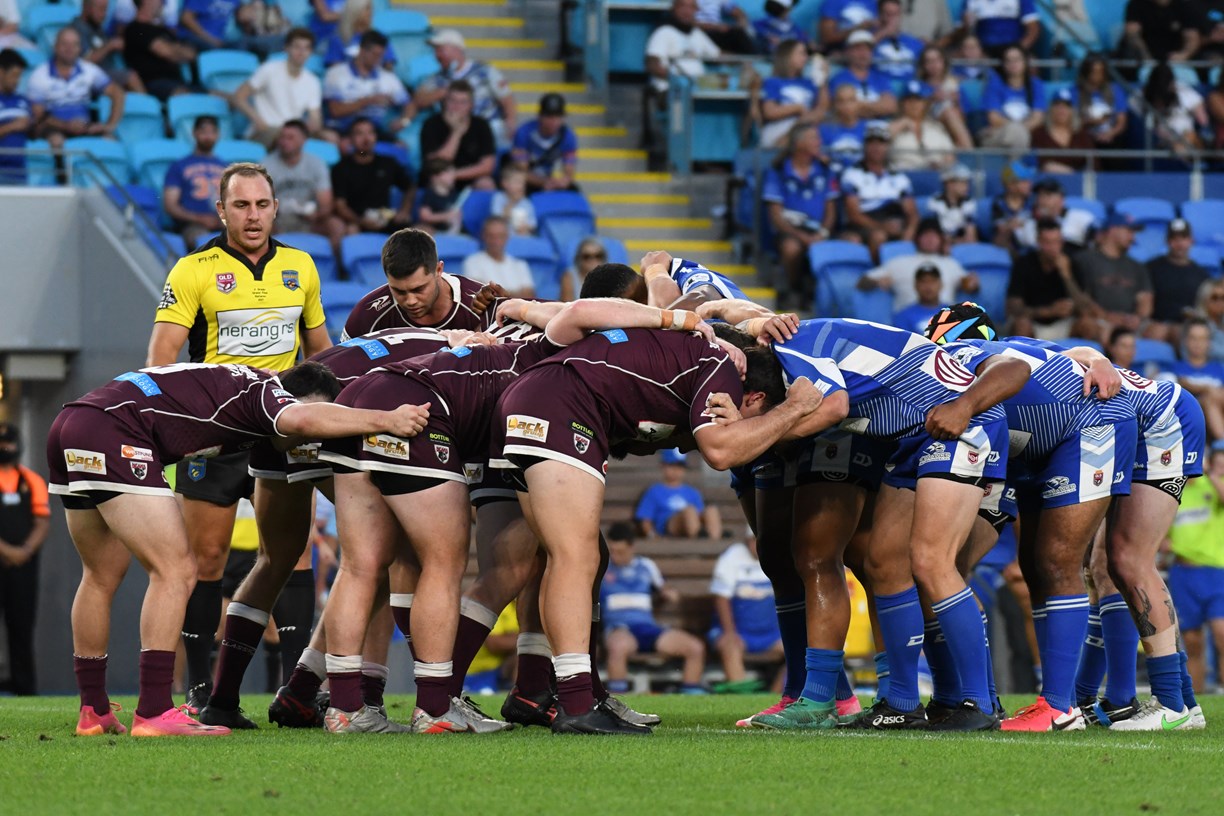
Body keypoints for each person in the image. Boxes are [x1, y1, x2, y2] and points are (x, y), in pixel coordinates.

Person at [493, 302, 824, 733]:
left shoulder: (682, 349)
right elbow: (721, 450)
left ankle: (560, 691)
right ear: (755, 396)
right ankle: (575, 704)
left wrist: (523, 306)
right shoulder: (723, 365)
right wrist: (794, 409)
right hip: (563, 406)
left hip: (526, 400)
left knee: (573, 557)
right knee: (575, 557)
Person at [50, 359, 427, 737]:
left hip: (73, 423)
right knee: (175, 570)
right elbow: (300, 419)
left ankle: (94, 711)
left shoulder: (240, 387)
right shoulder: (268, 392)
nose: (307, 442)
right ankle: (154, 711)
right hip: (115, 431)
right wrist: (388, 419)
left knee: (99, 576)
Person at [146, 163, 332, 711]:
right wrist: (177, 427)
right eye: (241, 205)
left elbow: (321, 353)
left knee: (293, 557)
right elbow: (161, 358)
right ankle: (202, 691)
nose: (253, 216)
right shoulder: (192, 269)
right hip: (216, 432)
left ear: (276, 207)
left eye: (262, 204)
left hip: (281, 430)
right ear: (221, 211)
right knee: (205, 561)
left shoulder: (301, 266)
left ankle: (297, 691)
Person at [601, 521, 708, 695]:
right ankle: (618, 699)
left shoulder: (646, 566)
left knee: (695, 647)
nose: (615, 556)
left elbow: (664, 588)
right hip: (620, 628)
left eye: (620, 551)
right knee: (618, 647)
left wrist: (669, 594)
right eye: (612, 551)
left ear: (631, 547)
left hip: (648, 628)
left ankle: (690, 694)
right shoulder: (603, 568)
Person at [341, 228, 500, 340]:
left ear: (438, 270)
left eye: (418, 289)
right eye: (399, 291)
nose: (410, 301)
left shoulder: (482, 305)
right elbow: (339, 369)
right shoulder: (369, 313)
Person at [761, 122, 838, 306]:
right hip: (790, 231)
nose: (819, 142)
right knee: (791, 248)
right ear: (799, 143)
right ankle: (793, 288)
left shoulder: (826, 170)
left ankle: (819, 294)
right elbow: (776, 217)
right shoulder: (778, 171)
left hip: (819, 230)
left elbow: (831, 210)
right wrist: (802, 236)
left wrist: (823, 233)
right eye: (814, 138)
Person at [1168, 443, 1224, 692]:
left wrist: (1211, 473)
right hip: (1183, 573)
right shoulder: (1174, 491)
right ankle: (1198, 698)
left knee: (1222, 633)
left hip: (1216, 571)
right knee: (1191, 640)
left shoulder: (1212, 485)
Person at [0, 423, 49, 696]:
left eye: (8, 442)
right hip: (6, 557)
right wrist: (7, 551)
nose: (4, 447)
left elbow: (42, 521)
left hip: (24, 567)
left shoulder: (32, 480)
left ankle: (24, 687)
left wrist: (25, 551)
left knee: (22, 625)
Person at [413, 28, 516, 147]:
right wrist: (442, 93)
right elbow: (418, 100)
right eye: (435, 51)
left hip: (488, 124)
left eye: (440, 50)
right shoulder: (438, 78)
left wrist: (510, 121)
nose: (437, 55)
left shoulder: (484, 71)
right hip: (454, 128)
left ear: (456, 50)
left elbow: (506, 97)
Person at [708, 532, 784, 689]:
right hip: (739, 631)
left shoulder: (779, 558)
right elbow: (721, 598)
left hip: (770, 633)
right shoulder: (731, 558)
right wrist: (729, 632)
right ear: (748, 540)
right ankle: (741, 693)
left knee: (801, 649)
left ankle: (776, 696)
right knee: (730, 646)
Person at [28, 27, 124, 150]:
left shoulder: (88, 70)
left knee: (110, 141)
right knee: (57, 141)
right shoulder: (40, 75)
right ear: (55, 46)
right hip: (53, 127)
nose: (70, 49)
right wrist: (66, 125)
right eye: (64, 44)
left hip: (84, 126)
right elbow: (38, 114)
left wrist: (109, 125)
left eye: (74, 44)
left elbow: (117, 93)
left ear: (80, 48)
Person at [859, 216, 976, 310]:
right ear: (917, 239)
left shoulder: (951, 264)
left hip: (944, 322)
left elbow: (971, 286)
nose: (930, 239)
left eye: (934, 236)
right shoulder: (899, 262)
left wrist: (973, 284)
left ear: (941, 240)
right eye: (926, 235)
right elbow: (862, 282)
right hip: (906, 323)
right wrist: (877, 282)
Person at [231, 28, 324, 147]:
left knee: (328, 140)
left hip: (292, 134)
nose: (301, 52)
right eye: (297, 47)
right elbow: (239, 96)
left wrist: (313, 125)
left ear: (311, 52)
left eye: (306, 48)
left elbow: (315, 116)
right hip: (265, 131)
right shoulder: (269, 69)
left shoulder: (312, 81)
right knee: (287, 140)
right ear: (286, 48)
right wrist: (257, 120)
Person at [840, 122, 919, 258]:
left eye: (881, 143)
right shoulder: (852, 174)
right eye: (871, 142)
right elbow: (853, 214)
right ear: (865, 145)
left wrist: (908, 234)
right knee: (879, 236)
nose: (876, 147)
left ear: (888, 146)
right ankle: (876, 270)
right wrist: (882, 226)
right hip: (864, 225)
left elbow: (912, 213)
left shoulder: (899, 177)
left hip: (895, 222)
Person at [329, 117, 415, 236]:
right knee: (351, 230)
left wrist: (404, 211)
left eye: (370, 133)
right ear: (351, 139)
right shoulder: (340, 168)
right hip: (356, 221)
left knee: (413, 232)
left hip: (385, 219)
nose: (366, 138)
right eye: (359, 134)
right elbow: (340, 206)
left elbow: (410, 187)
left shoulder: (388, 163)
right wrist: (360, 221)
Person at [1072, 212, 1152, 339]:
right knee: (1091, 326)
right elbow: (1080, 296)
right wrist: (1106, 316)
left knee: (1158, 331)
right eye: (1129, 231)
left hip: (1130, 323)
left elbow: (1145, 299)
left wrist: (1137, 318)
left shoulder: (1136, 266)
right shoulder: (1085, 260)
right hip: (1098, 320)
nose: (1133, 237)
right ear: (1113, 230)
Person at [322, 30, 412, 138]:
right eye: (374, 54)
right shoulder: (336, 73)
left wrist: (404, 121)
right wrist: (368, 101)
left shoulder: (388, 78)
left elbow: (409, 104)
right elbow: (335, 111)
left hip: (375, 132)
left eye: (381, 55)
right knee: (349, 145)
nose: (378, 59)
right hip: (343, 131)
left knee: (400, 146)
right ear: (362, 50)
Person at [1006, 217, 1079, 339]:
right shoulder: (1024, 264)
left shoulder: (1071, 263)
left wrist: (1067, 276)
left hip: (1063, 325)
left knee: (1088, 324)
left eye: (1057, 242)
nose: (1053, 248)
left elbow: (1084, 308)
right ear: (1038, 242)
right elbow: (1014, 308)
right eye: (1047, 242)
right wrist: (1049, 311)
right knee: (1022, 324)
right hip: (1034, 324)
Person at [263, 120, 335, 241]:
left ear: (303, 140)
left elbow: (326, 204)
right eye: (282, 137)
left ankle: (330, 254)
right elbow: (262, 203)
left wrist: (317, 215)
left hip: (310, 220)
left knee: (335, 226)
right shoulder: (266, 165)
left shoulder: (317, 164)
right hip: (279, 220)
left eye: (290, 138)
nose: (284, 141)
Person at [419, 80, 497, 191]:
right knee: (439, 182)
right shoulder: (431, 124)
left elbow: (487, 166)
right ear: (445, 102)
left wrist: (454, 174)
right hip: (437, 178)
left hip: (468, 177)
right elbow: (437, 164)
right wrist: (456, 133)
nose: (457, 106)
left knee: (486, 183)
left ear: (471, 105)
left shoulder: (481, 125)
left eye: (463, 102)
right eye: (452, 101)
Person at [162, 115, 226, 248]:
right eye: (203, 131)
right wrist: (199, 218)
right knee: (205, 243)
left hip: (222, 224)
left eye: (212, 132)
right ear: (194, 133)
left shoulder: (226, 167)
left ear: (218, 135)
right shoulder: (179, 166)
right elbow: (170, 205)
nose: (208, 136)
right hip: (192, 225)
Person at [635, 449, 723, 539]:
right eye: (672, 465)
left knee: (711, 510)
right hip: (668, 527)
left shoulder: (692, 492)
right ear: (663, 465)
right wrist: (652, 536)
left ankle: (714, 540)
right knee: (689, 511)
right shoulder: (654, 491)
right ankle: (697, 539)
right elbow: (645, 520)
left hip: (693, 524)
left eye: (680, 466)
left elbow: (701, 514)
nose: (676, 470)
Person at [1148, 218, 1210, 342]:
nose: (1180, 244)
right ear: (1167, 241)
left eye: (1184, 238)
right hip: (1157, 324)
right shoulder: (1151, 268)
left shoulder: (1201, 274)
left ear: (1191, 241)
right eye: (1175, 239)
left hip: (1189, 327)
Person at [123, 0, 197, 101]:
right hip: (154, 84)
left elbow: (191, 54)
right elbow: (166, 52)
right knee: (188, 98)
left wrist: (172, 50)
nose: (163, 2)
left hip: (179, 82)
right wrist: (175, 50)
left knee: (217, 96)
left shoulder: (163, 30)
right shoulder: (134, 29)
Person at [645, 0, 721, 98]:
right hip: (672, 92)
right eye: (682, 6)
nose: (686, 11)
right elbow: (652, 65)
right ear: (673, 8)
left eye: (691, 7)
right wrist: (681, 80)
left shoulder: (697, 34)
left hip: (698, 91)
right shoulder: (663, 32)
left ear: (696, 10)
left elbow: (718, 55)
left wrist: (740, 59)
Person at [979, 45, 1046, 153]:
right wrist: (1018, 128)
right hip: (1000, 134)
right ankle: (1017, 163)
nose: (1013, 64)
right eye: (1008, 60)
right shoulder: (994, 84)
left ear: (1025, 62)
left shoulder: (1035, 84)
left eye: (1017, 59)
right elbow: (994, 119)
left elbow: (1037, 118)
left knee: (1020, 134)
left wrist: (1019, 129)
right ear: (1004, 64)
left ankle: (1014, 163)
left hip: (1027, 132)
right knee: (1016, 133)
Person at [758, 39, 824, 150]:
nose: (805, 58)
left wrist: (823, 79)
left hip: (804, 130)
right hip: (778, 129)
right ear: (787, 56)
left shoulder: (809, 83)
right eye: (801, 53)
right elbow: (769, 112)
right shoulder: (773, 81)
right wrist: (797, 108)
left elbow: (821, 109)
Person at [1165, 319, 1224, 441]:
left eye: (1202, 339)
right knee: (1209, 398)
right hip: (1192, 416)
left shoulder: (1219, 368)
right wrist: (1206, 389)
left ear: (1209, 342)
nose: (1198, 343)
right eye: (1193, 338)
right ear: (1185, 341)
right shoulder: (1175, 368)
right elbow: (1178, 386)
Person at [71, 0, 145, 93]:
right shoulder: (76, 30)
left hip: (108, 73)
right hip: (90, 76)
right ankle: (147, 102)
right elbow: (84, 62)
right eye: (100, 9)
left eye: (105, 9)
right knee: (131, 77)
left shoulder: (97, 28)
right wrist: (110, 46)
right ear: (86, 7)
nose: (104, 14)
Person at [510, 93, 578, 192]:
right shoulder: (524, 133)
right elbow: (521, 171)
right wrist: (544, 182)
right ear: (540, 116)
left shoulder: (567, 136)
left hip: (547, 179)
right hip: (528, 181)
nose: (554, 121)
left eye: (558, 116)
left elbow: (569, 172)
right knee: (517, 187)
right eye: (549, 116)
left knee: (574, 191)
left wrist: (562, 182)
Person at [827, 30, 897, 120]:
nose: (863, 54)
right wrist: (877, 107)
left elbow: (890, 106)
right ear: (848, 52)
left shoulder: (880, 78)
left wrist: (859, 106)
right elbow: (842, 110)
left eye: (867, 49)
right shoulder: (838, 79)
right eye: (858, 49)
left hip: (879, 126)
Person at [1014, 176, 1096, 253]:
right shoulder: (1025, 220)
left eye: (1048, 195)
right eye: (1039, 195)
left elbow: (1093, 245)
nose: (1041, 200)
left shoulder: (1081, 217)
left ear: (1061, 200)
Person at [462, 215, 536, 298]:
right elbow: (480, 294)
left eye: (500, 236)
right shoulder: (472, 262)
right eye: (491, 236)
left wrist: (499, 293)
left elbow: (530, 295)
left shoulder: (520, 264)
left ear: (507, 237)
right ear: (483, 236)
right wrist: (515, 294)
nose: (496, 241)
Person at [889, 80, 956, 171]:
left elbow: (950, 156)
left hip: (933, 174)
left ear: (925, 104)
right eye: (909, 100)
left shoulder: (937, 127)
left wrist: (942, 165)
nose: (913, 104)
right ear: (902, 103)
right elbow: (881, 142)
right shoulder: (893, 125)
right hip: (902, 173)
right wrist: (903, 123)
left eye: (918, 99)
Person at [916, 45, 974, 150]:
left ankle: (963, 147)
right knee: (949, 112)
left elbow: (967, 113)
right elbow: (914, 113)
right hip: (929, 122)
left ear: (943, 61)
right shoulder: (918, 86)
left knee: (952, 112)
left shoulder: (954, 83)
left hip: (955, 122)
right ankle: (969, 149)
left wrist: (957, 101)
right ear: (923, 65)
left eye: (937, 60)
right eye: (929, 61)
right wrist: (931, 99)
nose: (934, 65)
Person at [1144, 61, 1207, 156]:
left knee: (1190, 137)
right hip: (1160, 141)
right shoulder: (1142, 96)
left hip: (1186, 139)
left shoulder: (1184, 91)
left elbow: (1203, 121)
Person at [1031, 88, 1096, 174]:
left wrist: (1071, 173)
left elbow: (1094, 163)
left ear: (1072, 110)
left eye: (1067, 105)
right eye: (1057, 105)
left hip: (1078, 180)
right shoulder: (1039, 134)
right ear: (1050, 108)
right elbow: (1033, 164)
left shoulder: (1082, 134)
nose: (1061, 109)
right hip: (1046, 180)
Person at [1074, 54, 1129, 154]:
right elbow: (1071, 122)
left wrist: (1111, 133)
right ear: (1086, 71)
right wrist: (1091, 122)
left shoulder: (1115, 90)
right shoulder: (1075, 91)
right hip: (1084, 136)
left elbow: (1121, 122)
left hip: (1111, 138)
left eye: (1100, 71)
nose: (1097, 75)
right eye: (1094, 71)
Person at [321, 0, 397, 69]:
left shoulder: (379, 38)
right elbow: (335, 70)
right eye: (366, 9)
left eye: (371, 8)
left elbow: (389, 66)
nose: (370, 13)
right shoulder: (338, 39)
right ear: (354, 11)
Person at [1123, 0, 1204, 63]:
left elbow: (1192, 37)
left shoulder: (1184, 6)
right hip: (1145, 60)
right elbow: (1132, 33)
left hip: (1176, 61)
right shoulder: (1137, 4)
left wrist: (1184, 55)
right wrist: (1146, 57)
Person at [959, 0, 1040, 59]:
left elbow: (1033, 29)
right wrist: (966, 26)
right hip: (983, 50)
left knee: (1031, 64)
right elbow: (963, 32)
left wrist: (1019, 51)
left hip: (1013, 47)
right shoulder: (970, 1)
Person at [0, 48, 31, 185]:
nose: (17, 81)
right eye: (14, 75)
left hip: (19, 172)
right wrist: (12, 126)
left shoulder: (22, 101)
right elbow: (16, 126)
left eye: (20, 76)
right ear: (1, 72)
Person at [873, 0, 925, 81]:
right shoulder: (872, 38)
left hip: (909, 86)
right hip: (880, 85)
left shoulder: (913, 42)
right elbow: (861, 52)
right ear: (880, 15)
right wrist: (883, 33)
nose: (892, 19)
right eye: (888, 14)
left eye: (896, 14)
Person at [990, 159, 1035, 251]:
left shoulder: (1033, 201)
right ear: (1011, 185)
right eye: (1024, 181)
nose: (1029, 184)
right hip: (1009, 248)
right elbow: (1000, 230)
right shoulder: (999, 203)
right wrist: (1013, 225)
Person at [928, 163, 979, 243]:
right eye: (962, 182)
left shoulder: (969, 202)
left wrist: (954, 241)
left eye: (967, 183)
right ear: (949, 184)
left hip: (962, 245)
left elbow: (971, 237)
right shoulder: (935, 201)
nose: (967, 187)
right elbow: (935, 234)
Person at [819, 83, 866, 169]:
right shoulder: (823, 131)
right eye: (841, 101)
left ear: (859, 103)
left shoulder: (868, 129)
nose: (846, 105)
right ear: (835, 104)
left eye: (851, 100)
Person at [891, 262, 946, 332]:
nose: (928, 286)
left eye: (932, 281)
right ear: (916, 285)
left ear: (941, 284)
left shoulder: (952, 313)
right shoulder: (903, 316)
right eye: (923, 281)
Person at [415, 157, 462, 234]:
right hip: (434, 232)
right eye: (448, 173)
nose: (453, 176)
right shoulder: (430, 195)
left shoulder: (454, 194)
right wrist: (447, 216)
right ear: (435, 176)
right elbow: (425, 216)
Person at [491, 163, 537, 236]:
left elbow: (533, 224)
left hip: (522, 237)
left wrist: (526, 227)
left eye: (523, 183)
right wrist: (513, 202)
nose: (521, 186)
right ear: (505, 184)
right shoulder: (498, 198)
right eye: (517, 182)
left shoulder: (526, 202)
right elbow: (497, 221)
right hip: (503, 237)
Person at [559, 237, 607, 302]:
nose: (592, 260)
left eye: (598, 256)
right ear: (579, 259)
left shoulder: (612, 277)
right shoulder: (569, 277)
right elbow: (567, 304)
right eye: (586, 256)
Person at [1195, 278, 1224, 361]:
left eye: (1223, 298)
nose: (1220, 302)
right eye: (1215, 298)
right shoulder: (1195, 324)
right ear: (1204, 299)